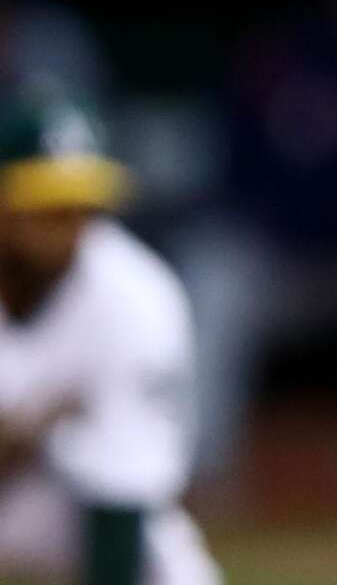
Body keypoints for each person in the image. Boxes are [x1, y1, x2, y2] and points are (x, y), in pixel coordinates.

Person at [0, 83, 220, 585]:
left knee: (164, 559)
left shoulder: (136, 303)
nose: (72, 229)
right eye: (48, 209)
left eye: (81, 207)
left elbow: (121, 500)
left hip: (76, 506)